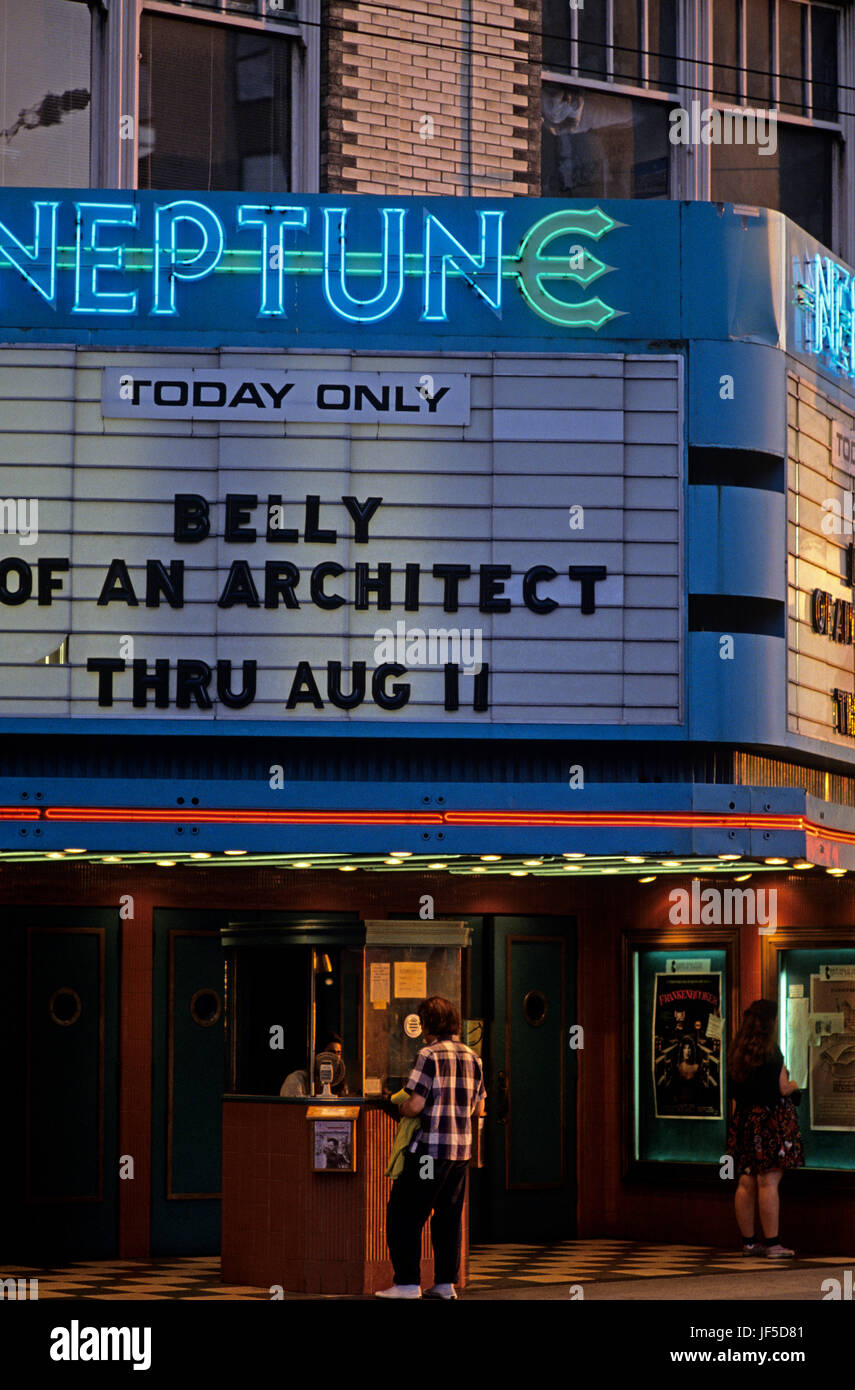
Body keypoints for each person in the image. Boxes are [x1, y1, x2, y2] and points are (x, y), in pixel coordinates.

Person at [376, 996, 486, 1301]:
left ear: (429, 1025)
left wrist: (394, 1105)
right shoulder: (472, 1057)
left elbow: (415, 1104)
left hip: (428, 1152)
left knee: (404, 1214)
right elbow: (480, 1107)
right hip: (460, 1153)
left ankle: (408, 1283)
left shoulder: (428, 1055)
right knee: (448, 1218)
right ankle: (444, 1284)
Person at [726, 998, 804, 1258]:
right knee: (769, 1181)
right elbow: (782, 1088)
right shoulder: (772, 1053)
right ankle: (773, 1244)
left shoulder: (737, 1051)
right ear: (770, 1023)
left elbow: (733, 1094)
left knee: (745, 1181)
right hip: (769, 1123)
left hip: (745, 1121)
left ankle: (749, 1242)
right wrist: (794, 1083)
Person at [280, 1034, 348, 1097]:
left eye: (338, 1053)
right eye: (331, 1052)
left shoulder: (340, 1085)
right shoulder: (296, 1079)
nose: (336, 1058)